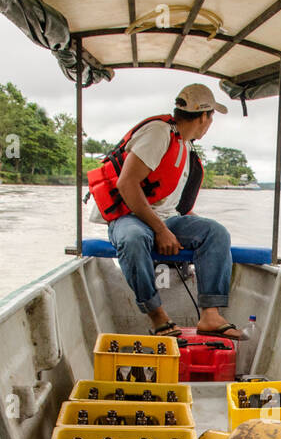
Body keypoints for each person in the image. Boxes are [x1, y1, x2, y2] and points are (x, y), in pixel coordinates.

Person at [93, 83, 245, 340]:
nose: (210, 123)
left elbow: (171, 205)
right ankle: (158, 318)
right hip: (129, 216)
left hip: (165, 218)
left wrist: (188, 227)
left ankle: (210, 315)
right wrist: (161, 230)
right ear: (204, 117)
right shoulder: (159, 133)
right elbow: (126, 184)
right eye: (211, 118)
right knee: (133, 239)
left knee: (216, 233)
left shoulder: (185, 145)